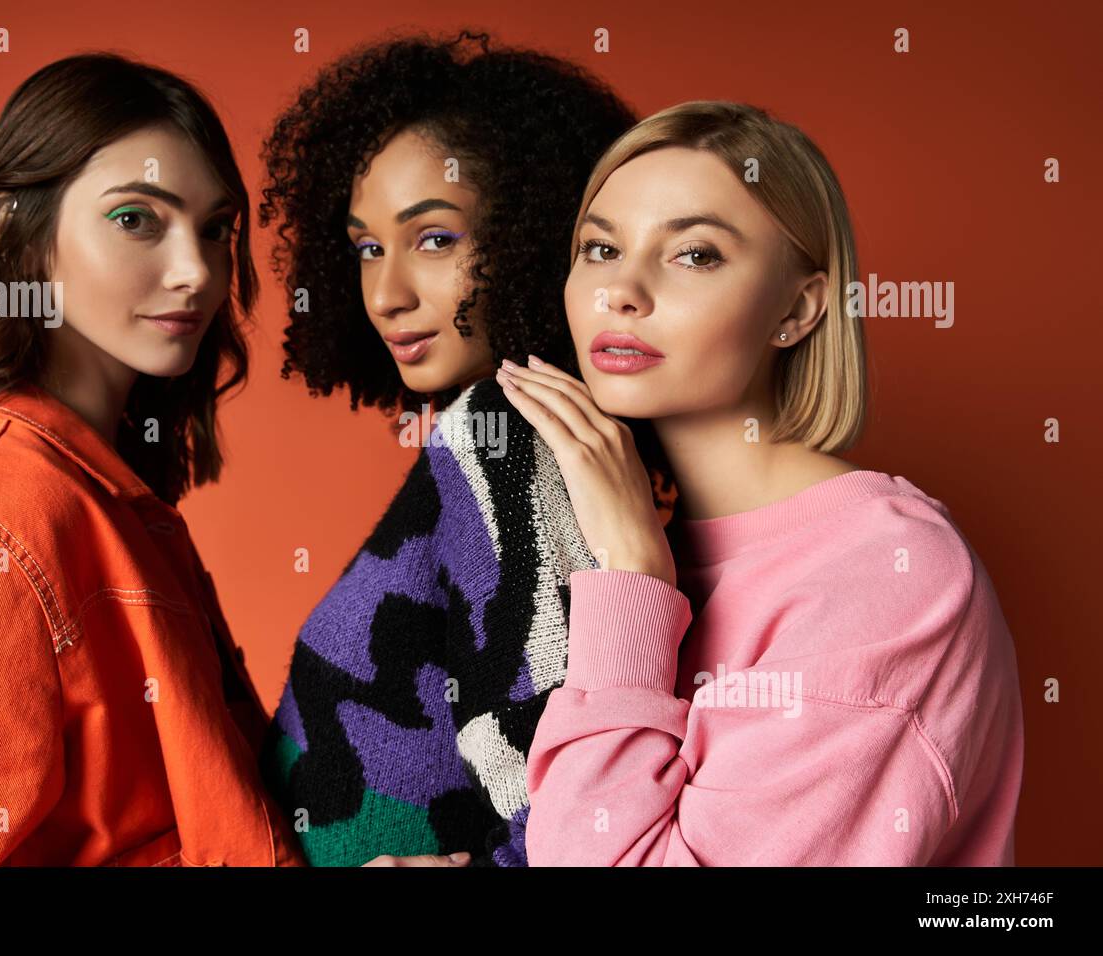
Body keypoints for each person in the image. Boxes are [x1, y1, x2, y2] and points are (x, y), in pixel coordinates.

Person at [0, 53, 303, 866]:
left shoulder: (117, 504)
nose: (195, 271)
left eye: (216, 229)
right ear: (15, 229)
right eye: (136, 219)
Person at [500, 101, 1024, 865]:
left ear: (799, 308)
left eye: (695, 255)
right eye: (601, 249)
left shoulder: (892, 577)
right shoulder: (568, 524)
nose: (622, 291)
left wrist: (634, 575)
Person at [255, 30, 667, 866]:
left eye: (435, 238)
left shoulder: (504, 433)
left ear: (532, 235)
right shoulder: (502, 431)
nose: (386, 294)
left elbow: (558, 791)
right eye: (367, 248)